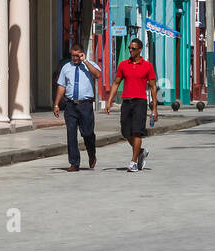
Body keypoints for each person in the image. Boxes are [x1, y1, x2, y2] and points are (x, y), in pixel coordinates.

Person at [104, 38, 158, 172]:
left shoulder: (147, 66)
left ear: (140, 50)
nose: (130, 50)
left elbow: (152, 87)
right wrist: (109, 100)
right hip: (126, 102)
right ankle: (140, 151)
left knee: (137, 132)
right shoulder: (123, 65)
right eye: (129, 48)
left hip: (140, 102)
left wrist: (154, 109)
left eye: (133, 48)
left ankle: (133, 162)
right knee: (125, 131)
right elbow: (116, 83)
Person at [53, 42, 102, 171]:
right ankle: (74, 163)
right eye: (72, 56)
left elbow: (97, 75)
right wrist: (56, 104)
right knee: (71, 134)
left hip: (85, 105)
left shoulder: (89, 65)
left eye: (77, 56)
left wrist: (85, 61)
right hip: (70, 105)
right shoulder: (66, 67)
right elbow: (61, 86)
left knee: (87, 133)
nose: (74, 58)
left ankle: (92, 154)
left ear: (81, 54)